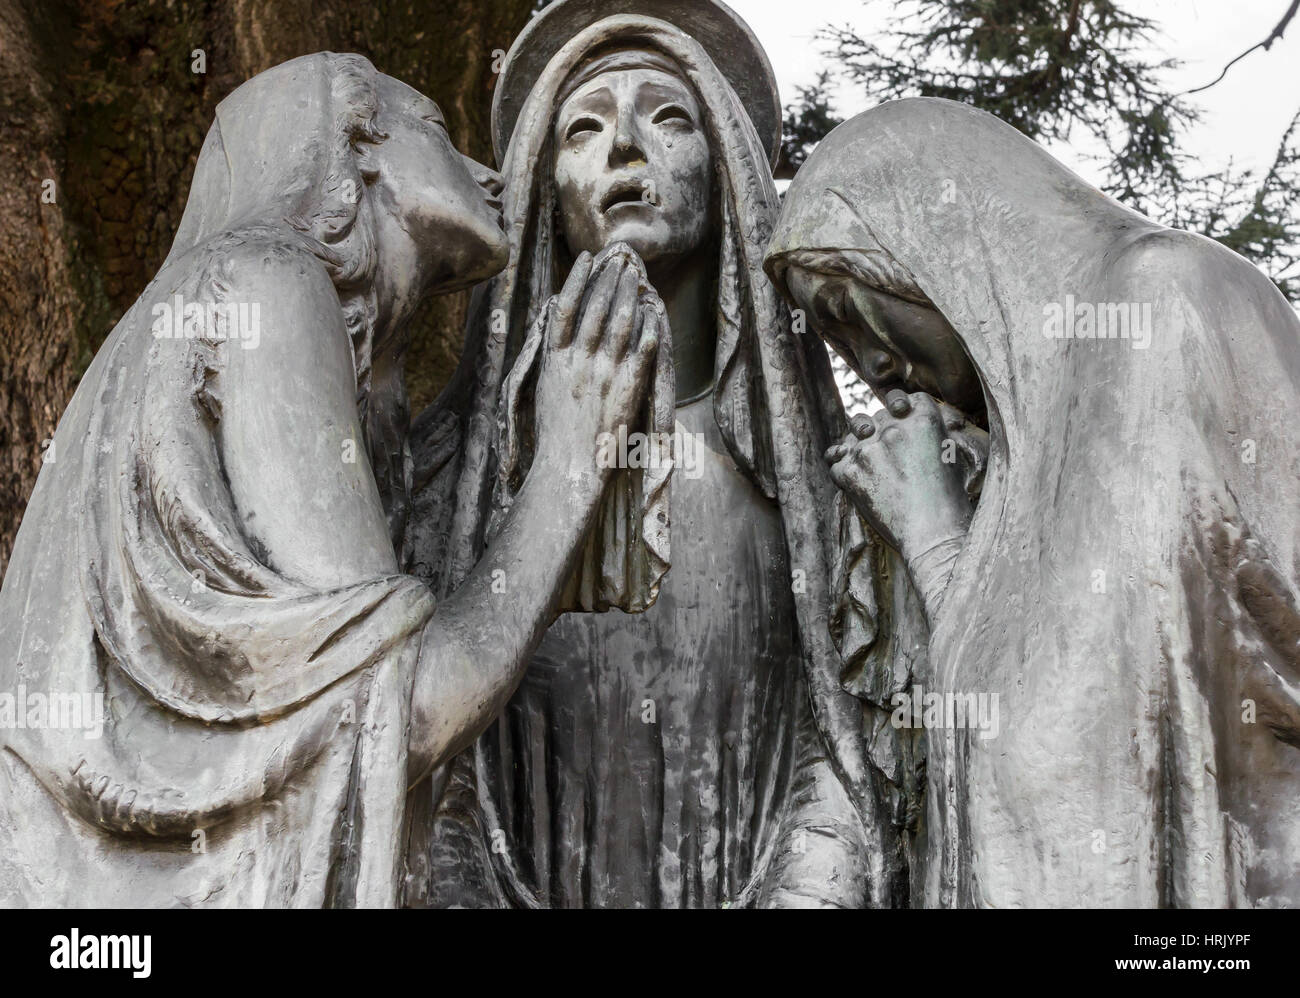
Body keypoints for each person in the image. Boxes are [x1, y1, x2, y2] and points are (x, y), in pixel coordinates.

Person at [0, 52, 657, 907]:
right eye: (438, 130)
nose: (493, 177)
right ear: (356, 147)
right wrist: (575, 455)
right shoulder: (268, 279)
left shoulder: (205, 324)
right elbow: (401, 708)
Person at [404, 0, 917, 909]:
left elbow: (847, 748)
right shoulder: (452, 476)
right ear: (542, 189)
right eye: (585, 127)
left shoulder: (832, 484)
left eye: (669, 117)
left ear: (726, 172)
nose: (626, 148)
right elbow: (423, 759)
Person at [765, 97, 1300, 907]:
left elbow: (1065, 732)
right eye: (837, 342)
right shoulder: (1015, 455)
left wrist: (933, 533)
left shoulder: (1153, 302)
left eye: (850, 309)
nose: (870, 364)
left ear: (936, 245)